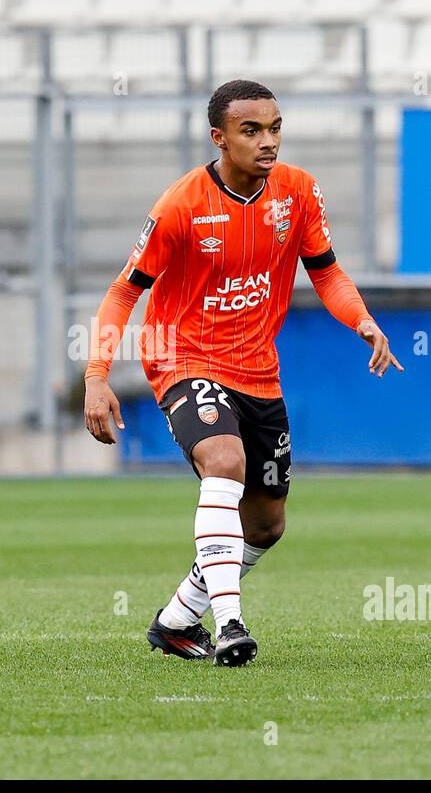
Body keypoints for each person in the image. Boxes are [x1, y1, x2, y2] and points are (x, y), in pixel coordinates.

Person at [84, 79, 402, 667]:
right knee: (223, 461)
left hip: (258, 369)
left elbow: (328, 274)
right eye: (251, 130)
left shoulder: (299, 193)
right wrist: (96, 376)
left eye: (275, 128)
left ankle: (178, 620)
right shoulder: (180, 206)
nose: (268, 141)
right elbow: (123, 292)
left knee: (265, 524)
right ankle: (230, 623)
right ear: (219, 137)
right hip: (183, 358)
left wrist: (363, 321)